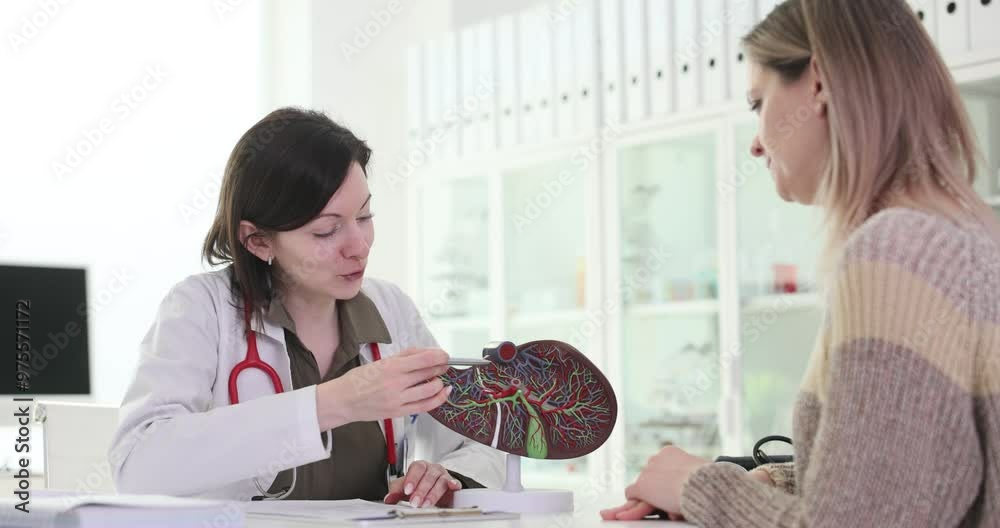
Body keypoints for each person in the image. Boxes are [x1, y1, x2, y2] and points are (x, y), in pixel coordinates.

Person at [602, 0, 1000, 524]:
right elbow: (930, 479)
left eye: (757, 102)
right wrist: (780, 478)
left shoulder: (899, 248)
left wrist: (702, 486)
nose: (756, 145)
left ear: (817, 84)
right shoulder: (969, 235)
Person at [109, 108, 504, 505]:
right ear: (258, 241)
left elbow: (487, 440)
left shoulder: (390, 310)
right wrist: (331, 404)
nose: (360, 245)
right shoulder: (202, 309)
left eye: (364, 215)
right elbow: (139, 466)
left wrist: (448, 476)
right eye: (327, 230)